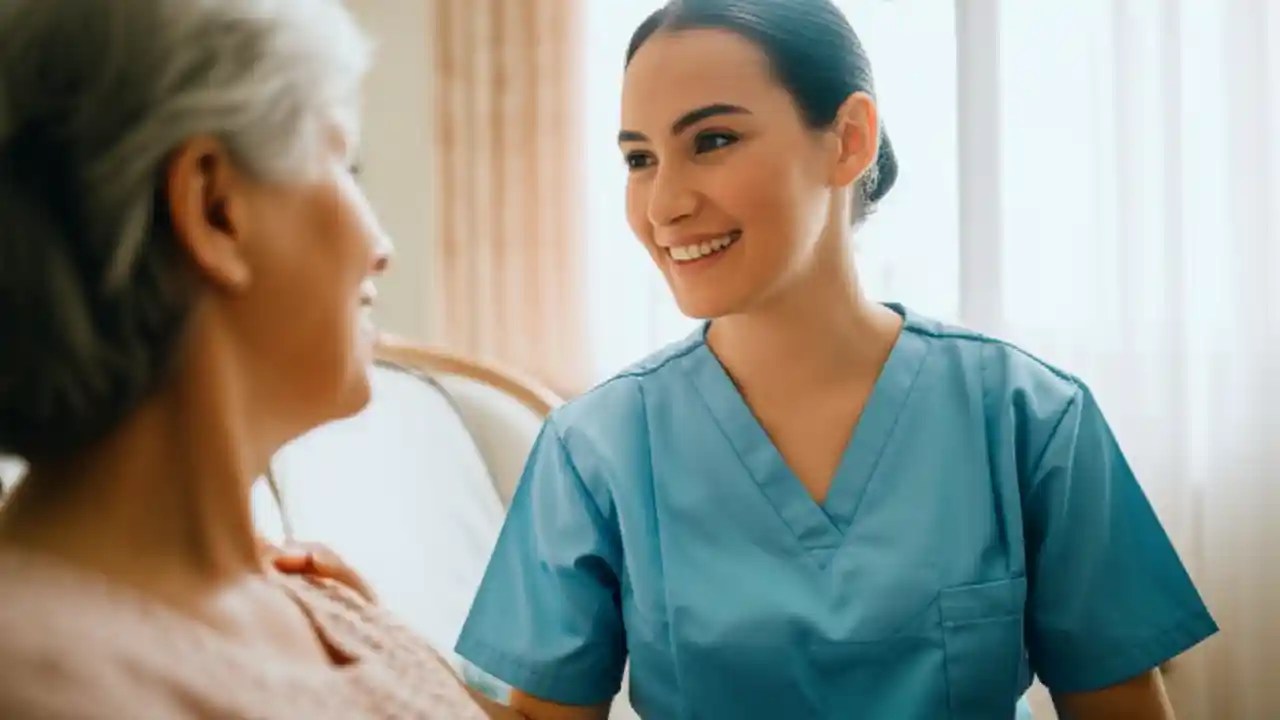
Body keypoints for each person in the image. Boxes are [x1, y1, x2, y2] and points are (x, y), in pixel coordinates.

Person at [447, 1, 1218, 718]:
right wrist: (366, 650)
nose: (663, 205)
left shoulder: (1031, 420)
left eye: (711, 141)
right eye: (640, 158)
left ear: (849, 139)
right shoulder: (595, 451)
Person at [0, 1, 499, 717]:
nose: (380, 245)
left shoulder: (332, 610)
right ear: (214, 207)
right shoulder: (49, 684)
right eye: (345, 164)